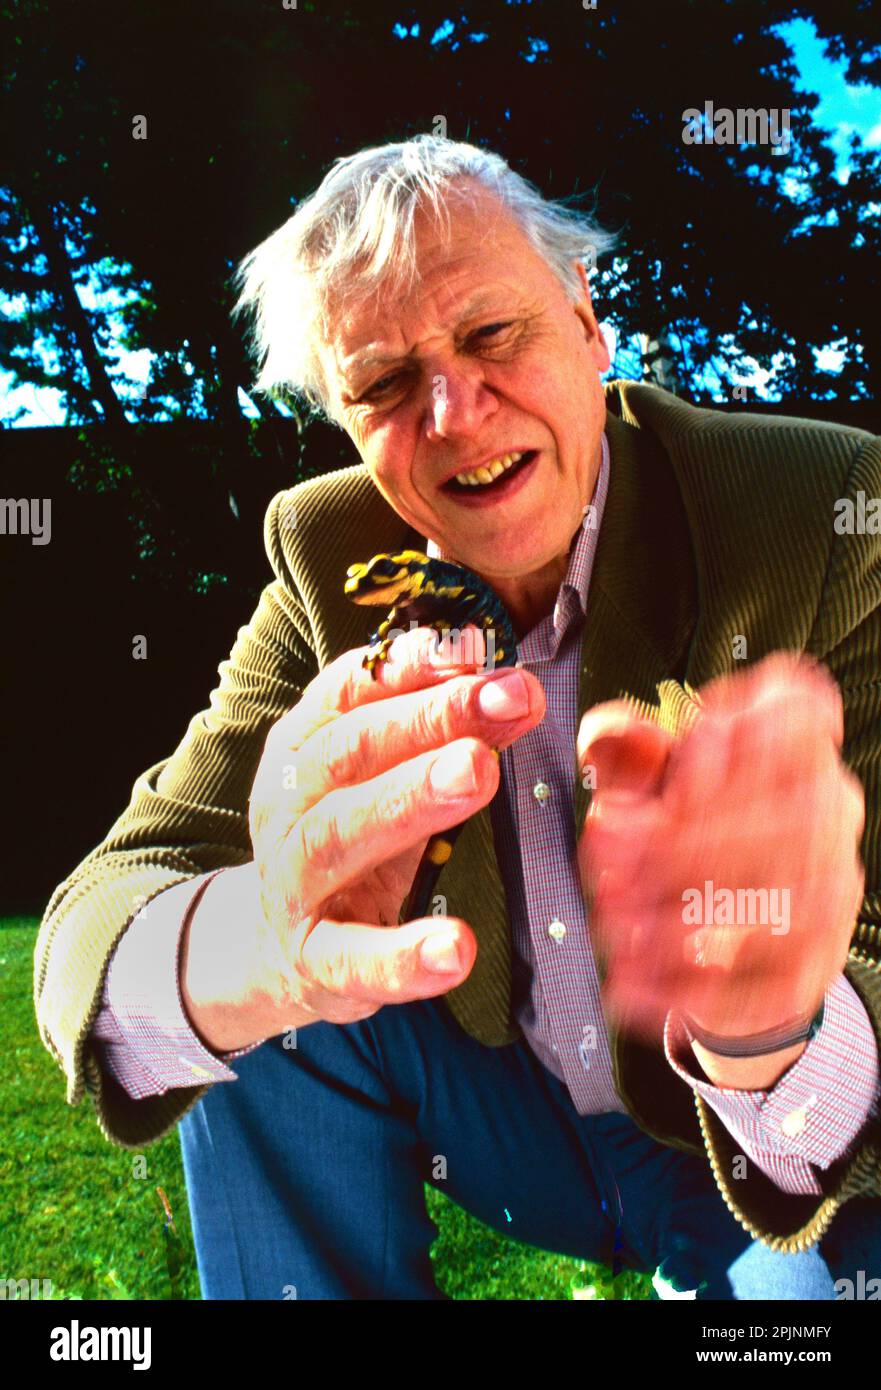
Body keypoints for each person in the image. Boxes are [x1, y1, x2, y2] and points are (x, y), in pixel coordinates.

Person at [35, 135, 881, 1301]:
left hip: (746, 1125)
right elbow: (95, 920)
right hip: (502, 1123)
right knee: (262, 978)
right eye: (382, 384)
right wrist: (270, 942)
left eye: (491, 335)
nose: (452, 411)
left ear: (587, 324)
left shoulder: (816, 508)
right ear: (340, 417)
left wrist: (763, 1027)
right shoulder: (331, 561)